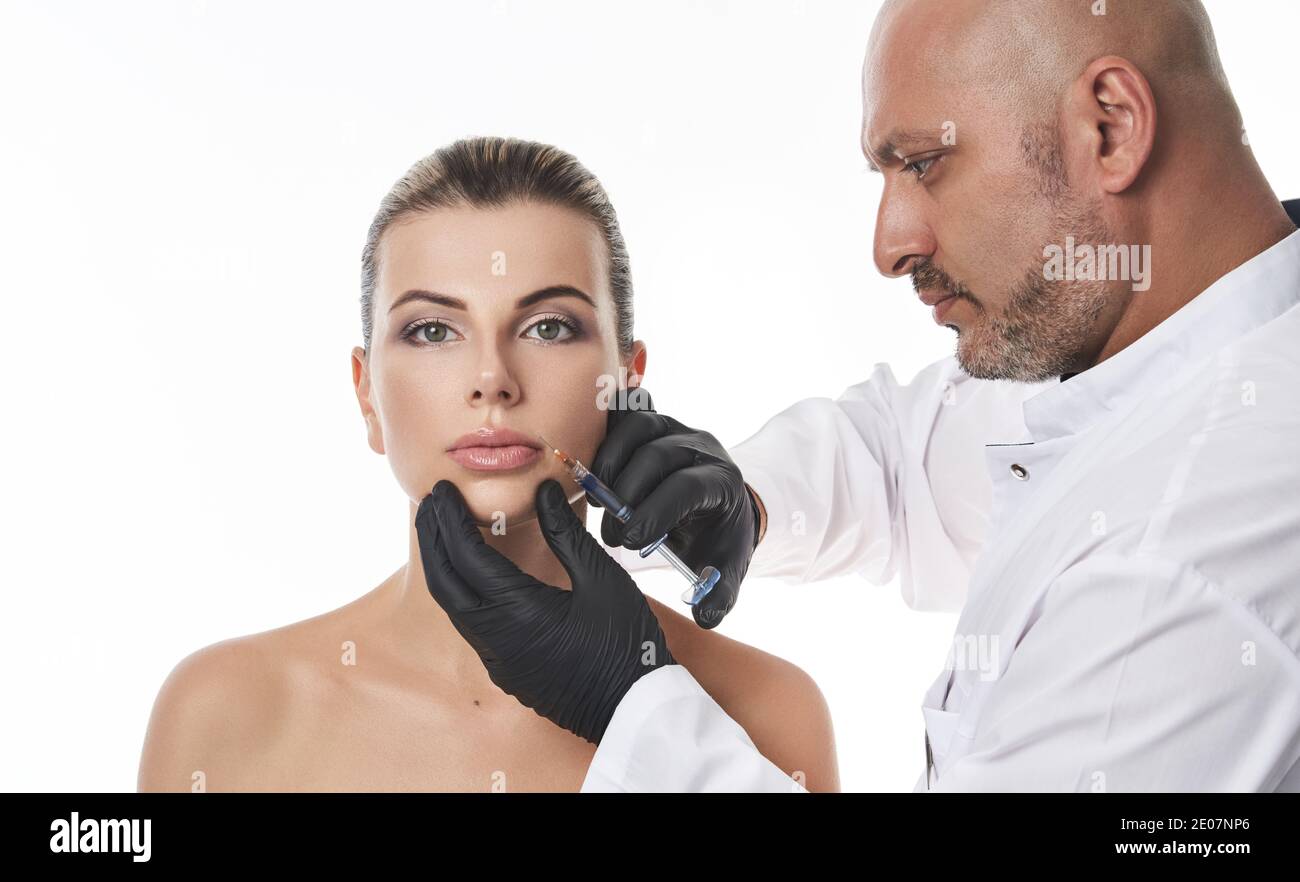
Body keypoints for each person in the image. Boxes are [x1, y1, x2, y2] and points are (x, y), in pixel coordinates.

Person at [418, 0, 1300, 792]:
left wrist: (626, 705)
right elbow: (916, 460)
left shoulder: (1188, 557)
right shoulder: (1168, 338)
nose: (889, 246)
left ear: (1110, 127)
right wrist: (747, 502)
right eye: (430, 329)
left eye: (925, 163)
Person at [136, 136, 839, 792]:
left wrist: (633, 699)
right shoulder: (223, 712)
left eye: (548, 327)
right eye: (432, 330)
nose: (492, 380)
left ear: (627, 385)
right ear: (367, 394)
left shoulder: (765, 711)